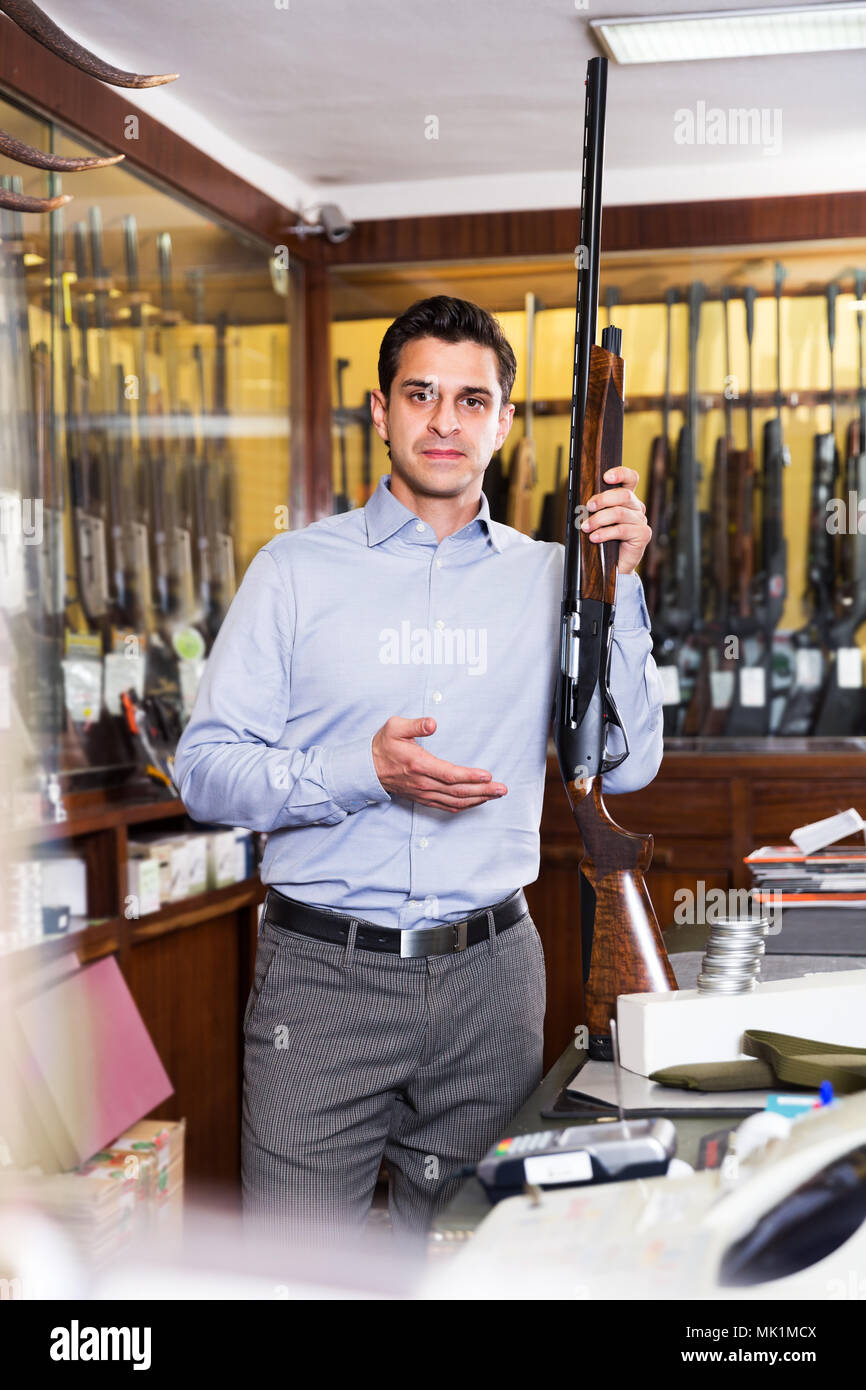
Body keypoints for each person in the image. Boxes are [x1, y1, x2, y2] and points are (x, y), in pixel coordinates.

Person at [173, 294, 664, 1244]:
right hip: (321, 983)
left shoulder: (560, 579)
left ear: (506, 422)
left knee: (480, 1263)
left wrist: (625, 587)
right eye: (421, 394)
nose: (445, 421)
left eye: (473, 400)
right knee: (299, 1266)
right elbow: (204, 774)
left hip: (493, 983)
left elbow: (631, 762)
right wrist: (363, 770)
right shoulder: (293, 570)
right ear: (380, 410)